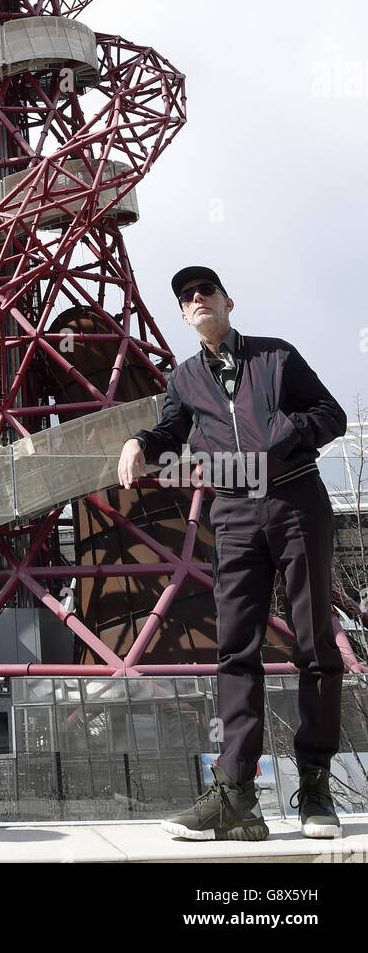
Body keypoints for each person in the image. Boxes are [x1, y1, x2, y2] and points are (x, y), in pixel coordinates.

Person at [117, 266, 347, 843]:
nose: (196, 300)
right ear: (184, 316)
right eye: (186, 298)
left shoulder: (277, 357)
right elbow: (171, 430)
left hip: (296, 500)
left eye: (205, 292)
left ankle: (316, 789)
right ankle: (237, 796)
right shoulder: (186, 378)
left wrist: (283, 433)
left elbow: (331, 415)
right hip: (235, 513)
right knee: (235, 651)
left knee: (314, 643)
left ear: (227, 301)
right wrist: (141, 442)